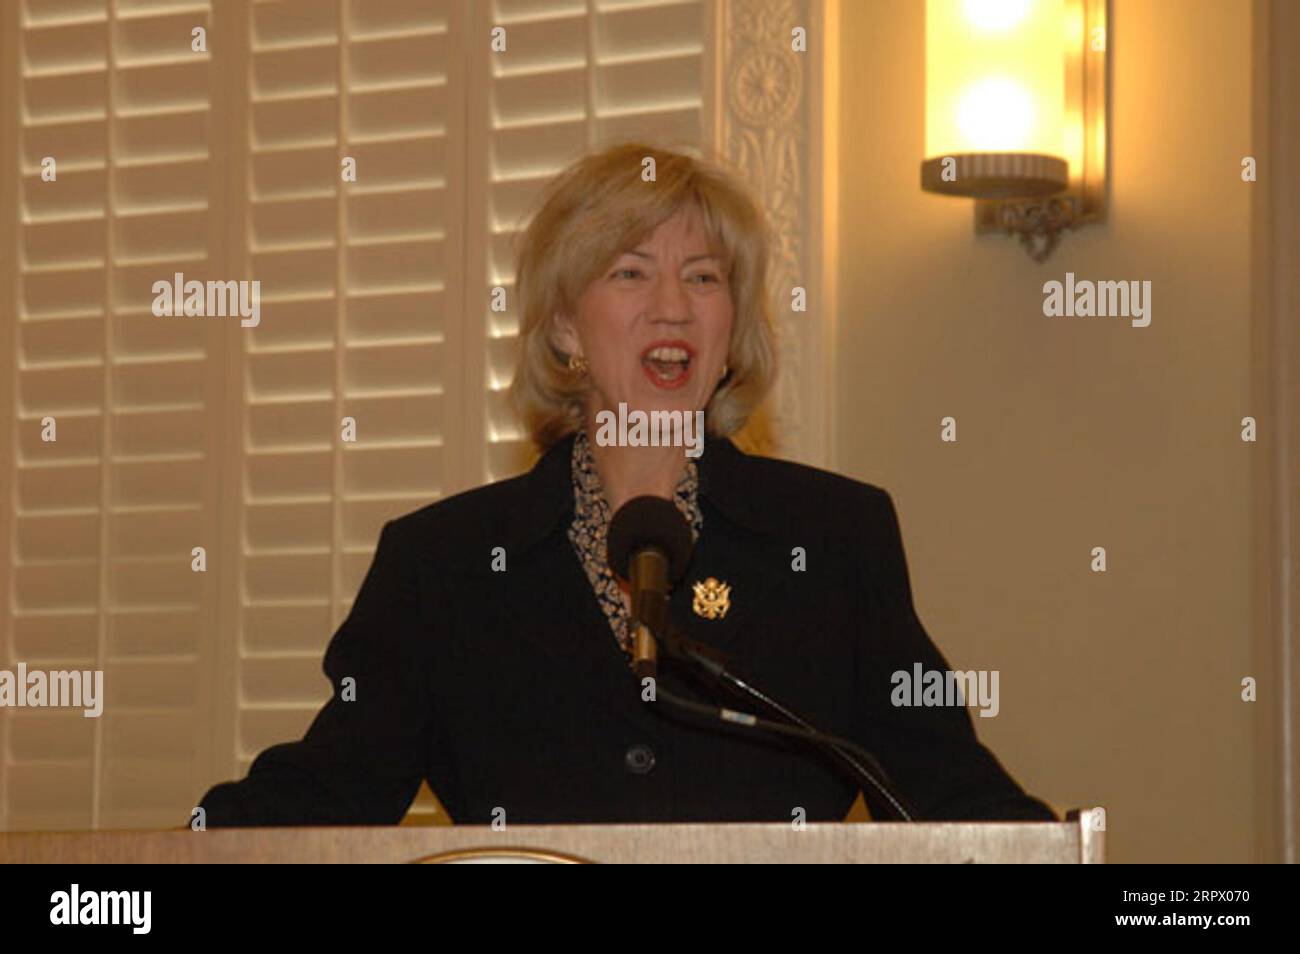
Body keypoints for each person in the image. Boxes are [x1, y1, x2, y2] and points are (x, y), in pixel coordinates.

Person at [197, 142, 1056, 826]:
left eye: (706, 277)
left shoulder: (835, 542)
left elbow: (946, 790)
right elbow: (327, 793)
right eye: (631, 271)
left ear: (730, 333)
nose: (674, 307)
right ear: (566, 324)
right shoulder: (441, 567)